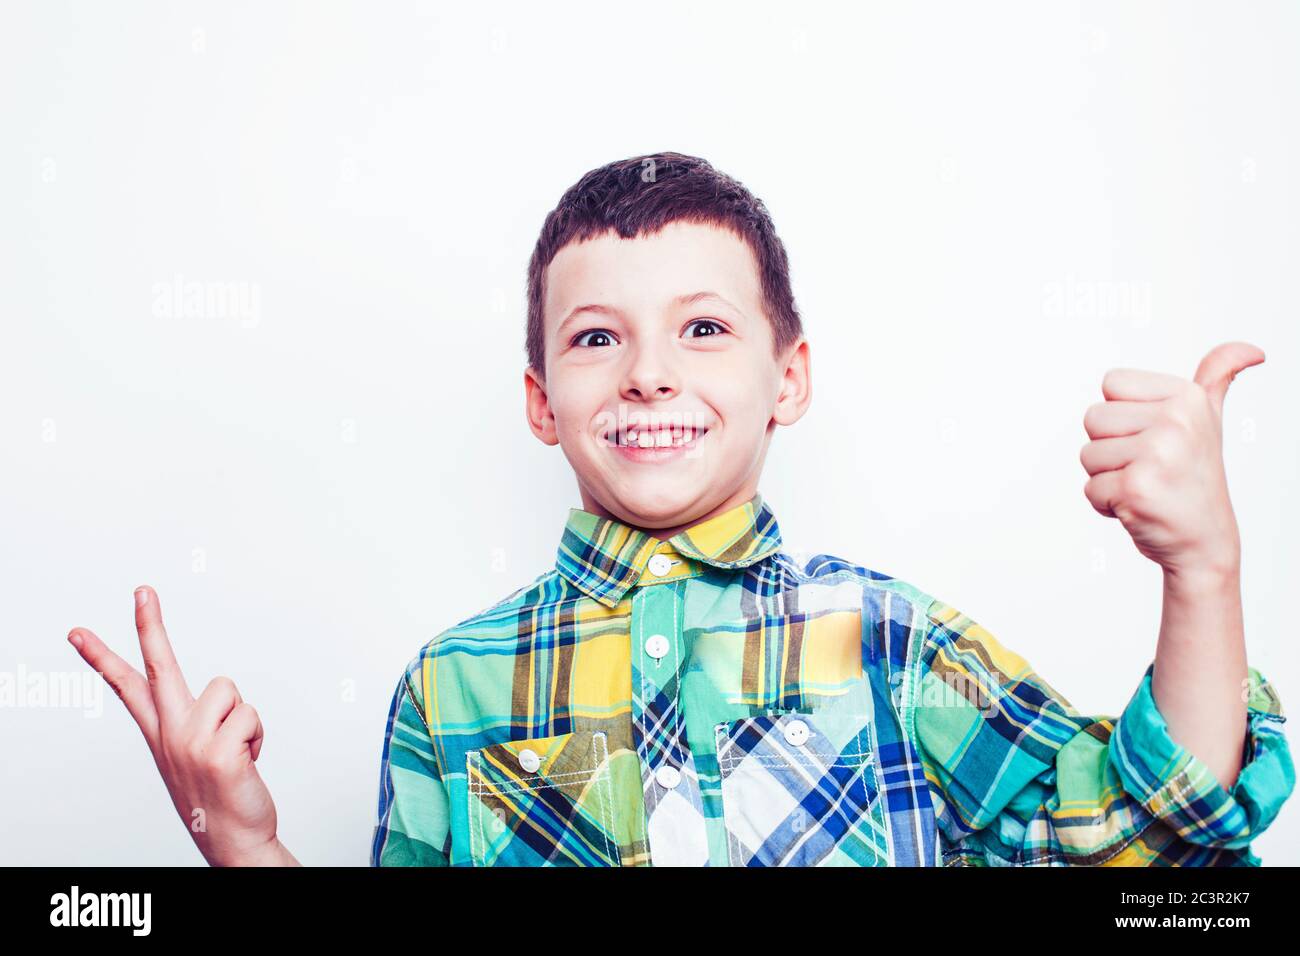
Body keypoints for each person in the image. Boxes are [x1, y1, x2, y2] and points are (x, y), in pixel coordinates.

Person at [69, 152, 1294, 867]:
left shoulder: (890, 639)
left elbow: (1156, 836)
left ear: (788, 378)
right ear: (544, 401)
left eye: (703, 328)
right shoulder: (452, 685)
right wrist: (238, 837)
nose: (649, 371)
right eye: (599, 337)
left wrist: (1203, 570)